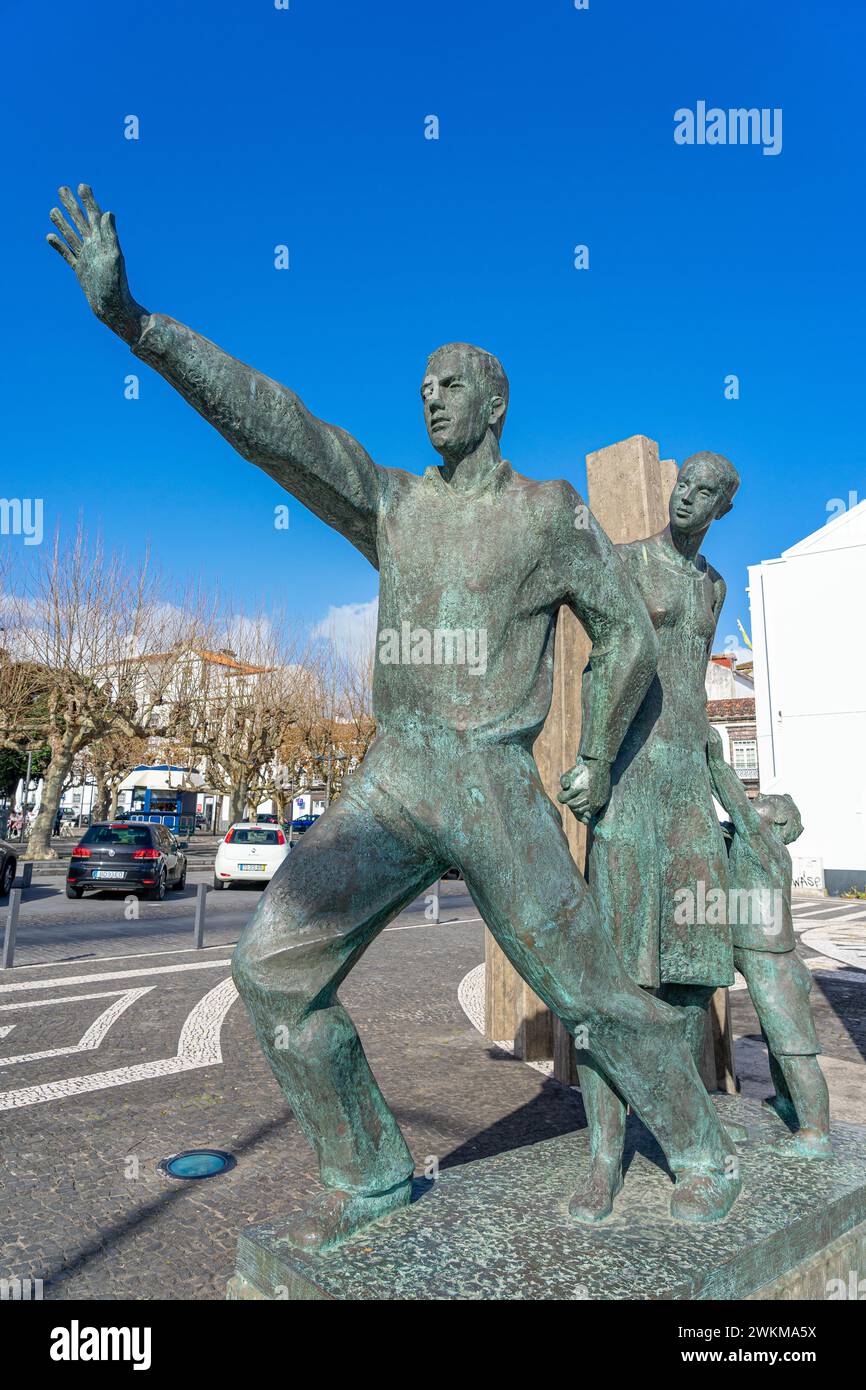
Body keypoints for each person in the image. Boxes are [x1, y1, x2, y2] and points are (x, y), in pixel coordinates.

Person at [48, 183, 741, 1250]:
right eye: (421, 386)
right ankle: (370, 1168)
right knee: (269, 969)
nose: (428, 399)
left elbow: (628, 638)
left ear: (493, 403)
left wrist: (596, 756)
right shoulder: (396, 505)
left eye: (448, 385)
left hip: (494, 783)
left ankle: (698, 1145)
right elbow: (277, 428)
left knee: (590, 993)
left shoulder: (546, 510)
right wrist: (140, 323)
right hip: (396, 779)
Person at [573, 453, 740, 1222]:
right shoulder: (628, 562)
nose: (686, 498)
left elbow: (698, 688)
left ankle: (683, 1136)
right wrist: (593, 762)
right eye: (683, 485)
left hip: (686, 792)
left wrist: (723, 782)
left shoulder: (714, 586)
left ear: (720, 509)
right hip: (633, 785)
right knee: (612, 978)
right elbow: (604, 669)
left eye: (704, 493)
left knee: (690, 969)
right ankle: (605, 1151)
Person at [707, 730, 831, 1158]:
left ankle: (816, 1131)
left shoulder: (765, 845)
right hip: (752, 954)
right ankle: (787, 1104)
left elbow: (731, 799)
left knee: (793, 1047)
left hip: (772, 961)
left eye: (764, 805)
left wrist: (716, 757)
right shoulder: (748, 840)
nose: (755, 804)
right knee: (776, 1040)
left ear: (776, 825)